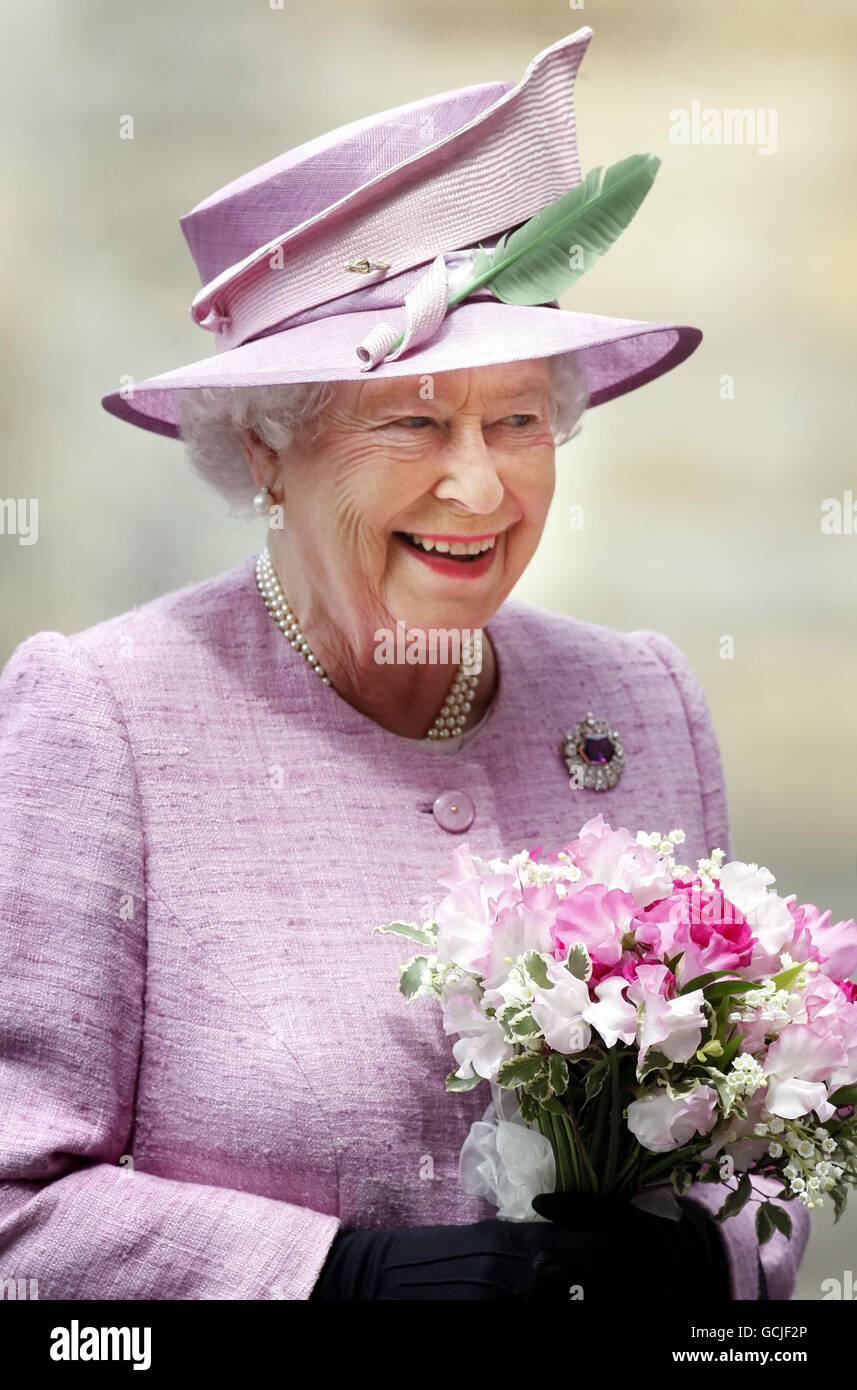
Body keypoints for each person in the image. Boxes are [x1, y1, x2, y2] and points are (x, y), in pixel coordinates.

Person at [0, 27, 808, 1300]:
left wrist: (698, 1262)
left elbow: (756, 1162)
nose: (479, 484)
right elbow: (18, 1217)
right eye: (414, 421)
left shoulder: (640, 701)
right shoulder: (102, 715)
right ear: (267, 447)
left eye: (520, 420)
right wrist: (336, 1281)